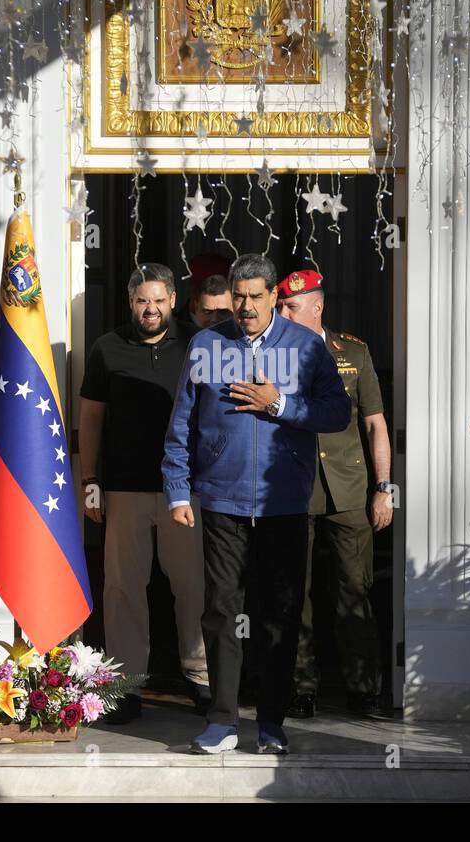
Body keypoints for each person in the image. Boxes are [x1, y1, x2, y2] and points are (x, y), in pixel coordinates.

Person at [163, 254, 351, 755]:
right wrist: (178, 489)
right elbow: (183, 421)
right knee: (221, 611)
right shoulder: (207, 344)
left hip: (283, 502)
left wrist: (281, 405)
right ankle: (222, 721)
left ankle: (271, 724)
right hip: (222, 500)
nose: (244, 307)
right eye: (238, 297)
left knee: (279, 614)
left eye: (254, 297)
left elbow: (337, 413)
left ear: (273, 297)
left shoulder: (308, 347)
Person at [79, 263, 210, 723]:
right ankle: (126, 684)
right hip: (123, 488)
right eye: (141, 300)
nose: (150, 308)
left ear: (173, 300)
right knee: (123, 589)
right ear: (130, 303)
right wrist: (90, 480)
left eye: (158, 299)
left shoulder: (200, 344)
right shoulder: (106, 348)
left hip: (185, 490)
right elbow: (92, 418)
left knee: (192, 585)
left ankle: (201, 678)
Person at [275, 269, 392, 718]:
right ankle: (300, 686)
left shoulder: (352, 352)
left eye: (290, 306)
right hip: (290, 488)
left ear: (316, 307)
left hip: (348, 488)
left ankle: (364, 689)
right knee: (293, 593)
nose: (282, 312)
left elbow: (375, 424)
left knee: (353, 589)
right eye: (282, 306)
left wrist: (384, 489)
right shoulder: (271, 353)